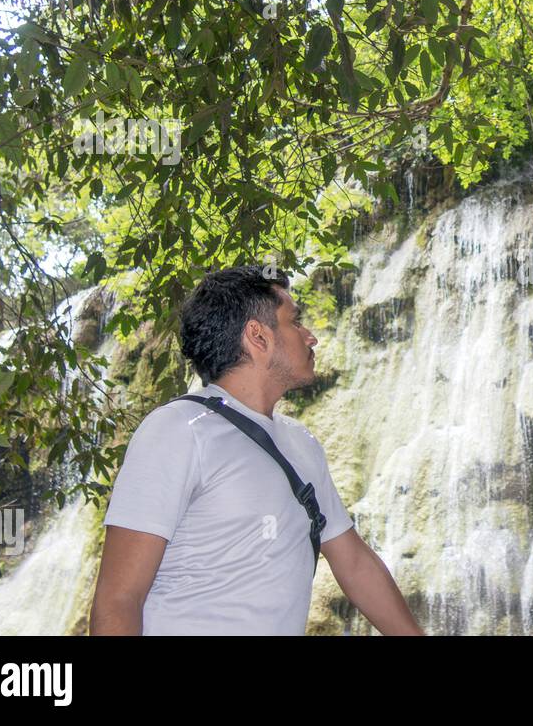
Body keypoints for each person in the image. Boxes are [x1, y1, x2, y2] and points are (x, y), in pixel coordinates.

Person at [89, 265, 423, 635]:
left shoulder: (302, 444)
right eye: (295, 322)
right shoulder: (178, 430)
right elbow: (118, 599)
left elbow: (355, 564)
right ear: (258, 336)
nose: (310, 337)